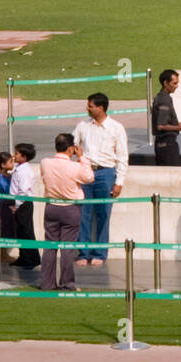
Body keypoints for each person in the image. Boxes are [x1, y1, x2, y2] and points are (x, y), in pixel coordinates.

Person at [73, 92, 128, 267]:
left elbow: (122, 157)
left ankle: (100, 253)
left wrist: (119, 182)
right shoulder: (83, 125)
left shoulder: (116, 128)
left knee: (104, 213)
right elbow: (72, 143)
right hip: (86, 172)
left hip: (106, 173)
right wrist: (78, 154)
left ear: (100, 108)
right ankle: (83, 252)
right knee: (83, 214)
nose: (87, 109)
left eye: (90, 106)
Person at [39, 134, 94, 292]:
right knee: (67, 248)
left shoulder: (45, 163)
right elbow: (89, 177)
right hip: (70, 208)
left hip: (51, 207)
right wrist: (82, 158)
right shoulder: (75, 167)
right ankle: (67, 284)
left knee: (50, 246)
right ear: (71, 148)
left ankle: (47, 283)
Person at [9, 143, 41, 268]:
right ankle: (23, 257)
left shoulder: (25, 172)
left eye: (16, 153)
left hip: (23, 204)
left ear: (24, 157)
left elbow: (23, 191)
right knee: (20, 232)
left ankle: (32, 259)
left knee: (26, 232)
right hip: (18, 203)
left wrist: (16, 205)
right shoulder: (19, 168)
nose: (14, 155)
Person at [152, 69, 181, 165]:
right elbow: (161, 125)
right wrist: (179, 127)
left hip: (163, 144)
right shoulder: (164, 100)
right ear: (166, 83)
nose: (176, 86)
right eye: (174, 83)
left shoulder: (162, 97)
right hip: (167, 146)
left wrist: (178, 124)